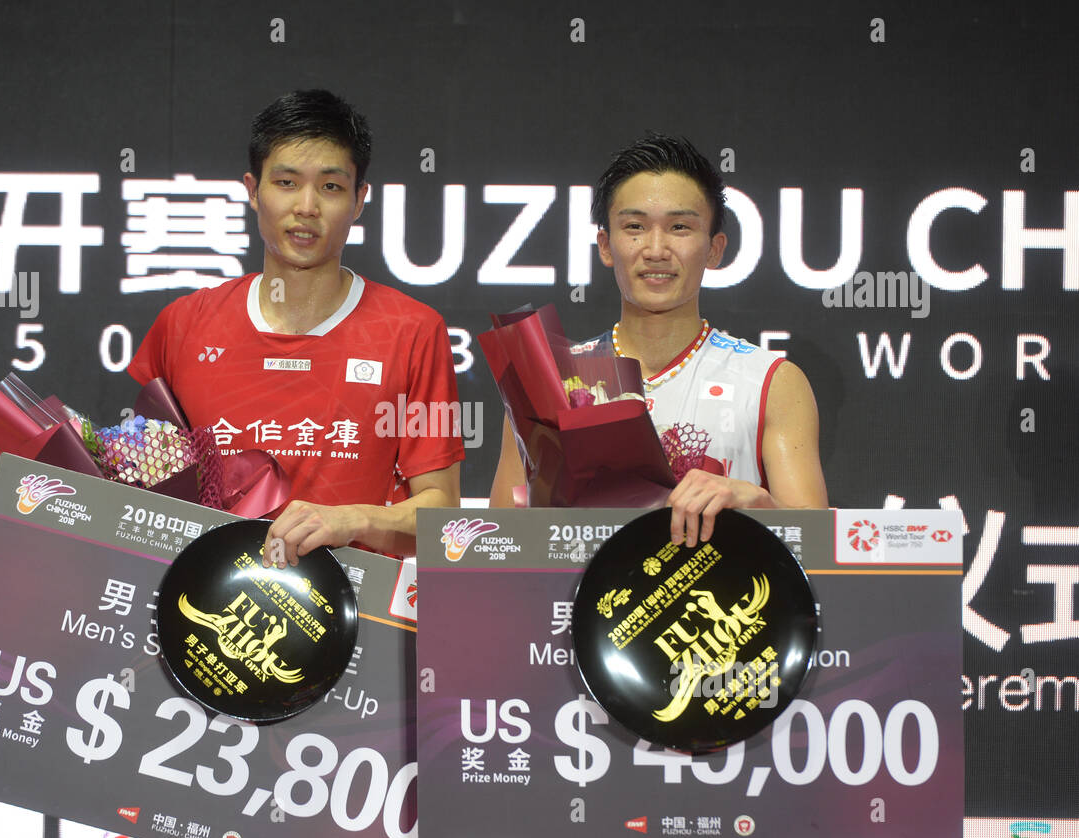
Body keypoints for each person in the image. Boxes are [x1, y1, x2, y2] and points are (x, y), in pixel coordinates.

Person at [129, 90, 463, 563]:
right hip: (204, 606)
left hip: (351, 617)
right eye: (286, 182)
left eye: (330, 187)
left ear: (360, 199)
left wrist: (352, 520)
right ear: (251, 189)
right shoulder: (184, 324)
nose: (307, 207)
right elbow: (146, 484)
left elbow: (443, 517)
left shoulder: (413, 332)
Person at [490, 133, 827, 544]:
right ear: (605, 245)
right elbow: (499, 546)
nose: (655, 249)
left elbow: (817, 547)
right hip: (580, 606)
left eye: (680, 227)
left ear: (715, 249)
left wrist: (754, 502)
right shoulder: (548, 382)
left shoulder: (771, 381)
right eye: (634, 227)